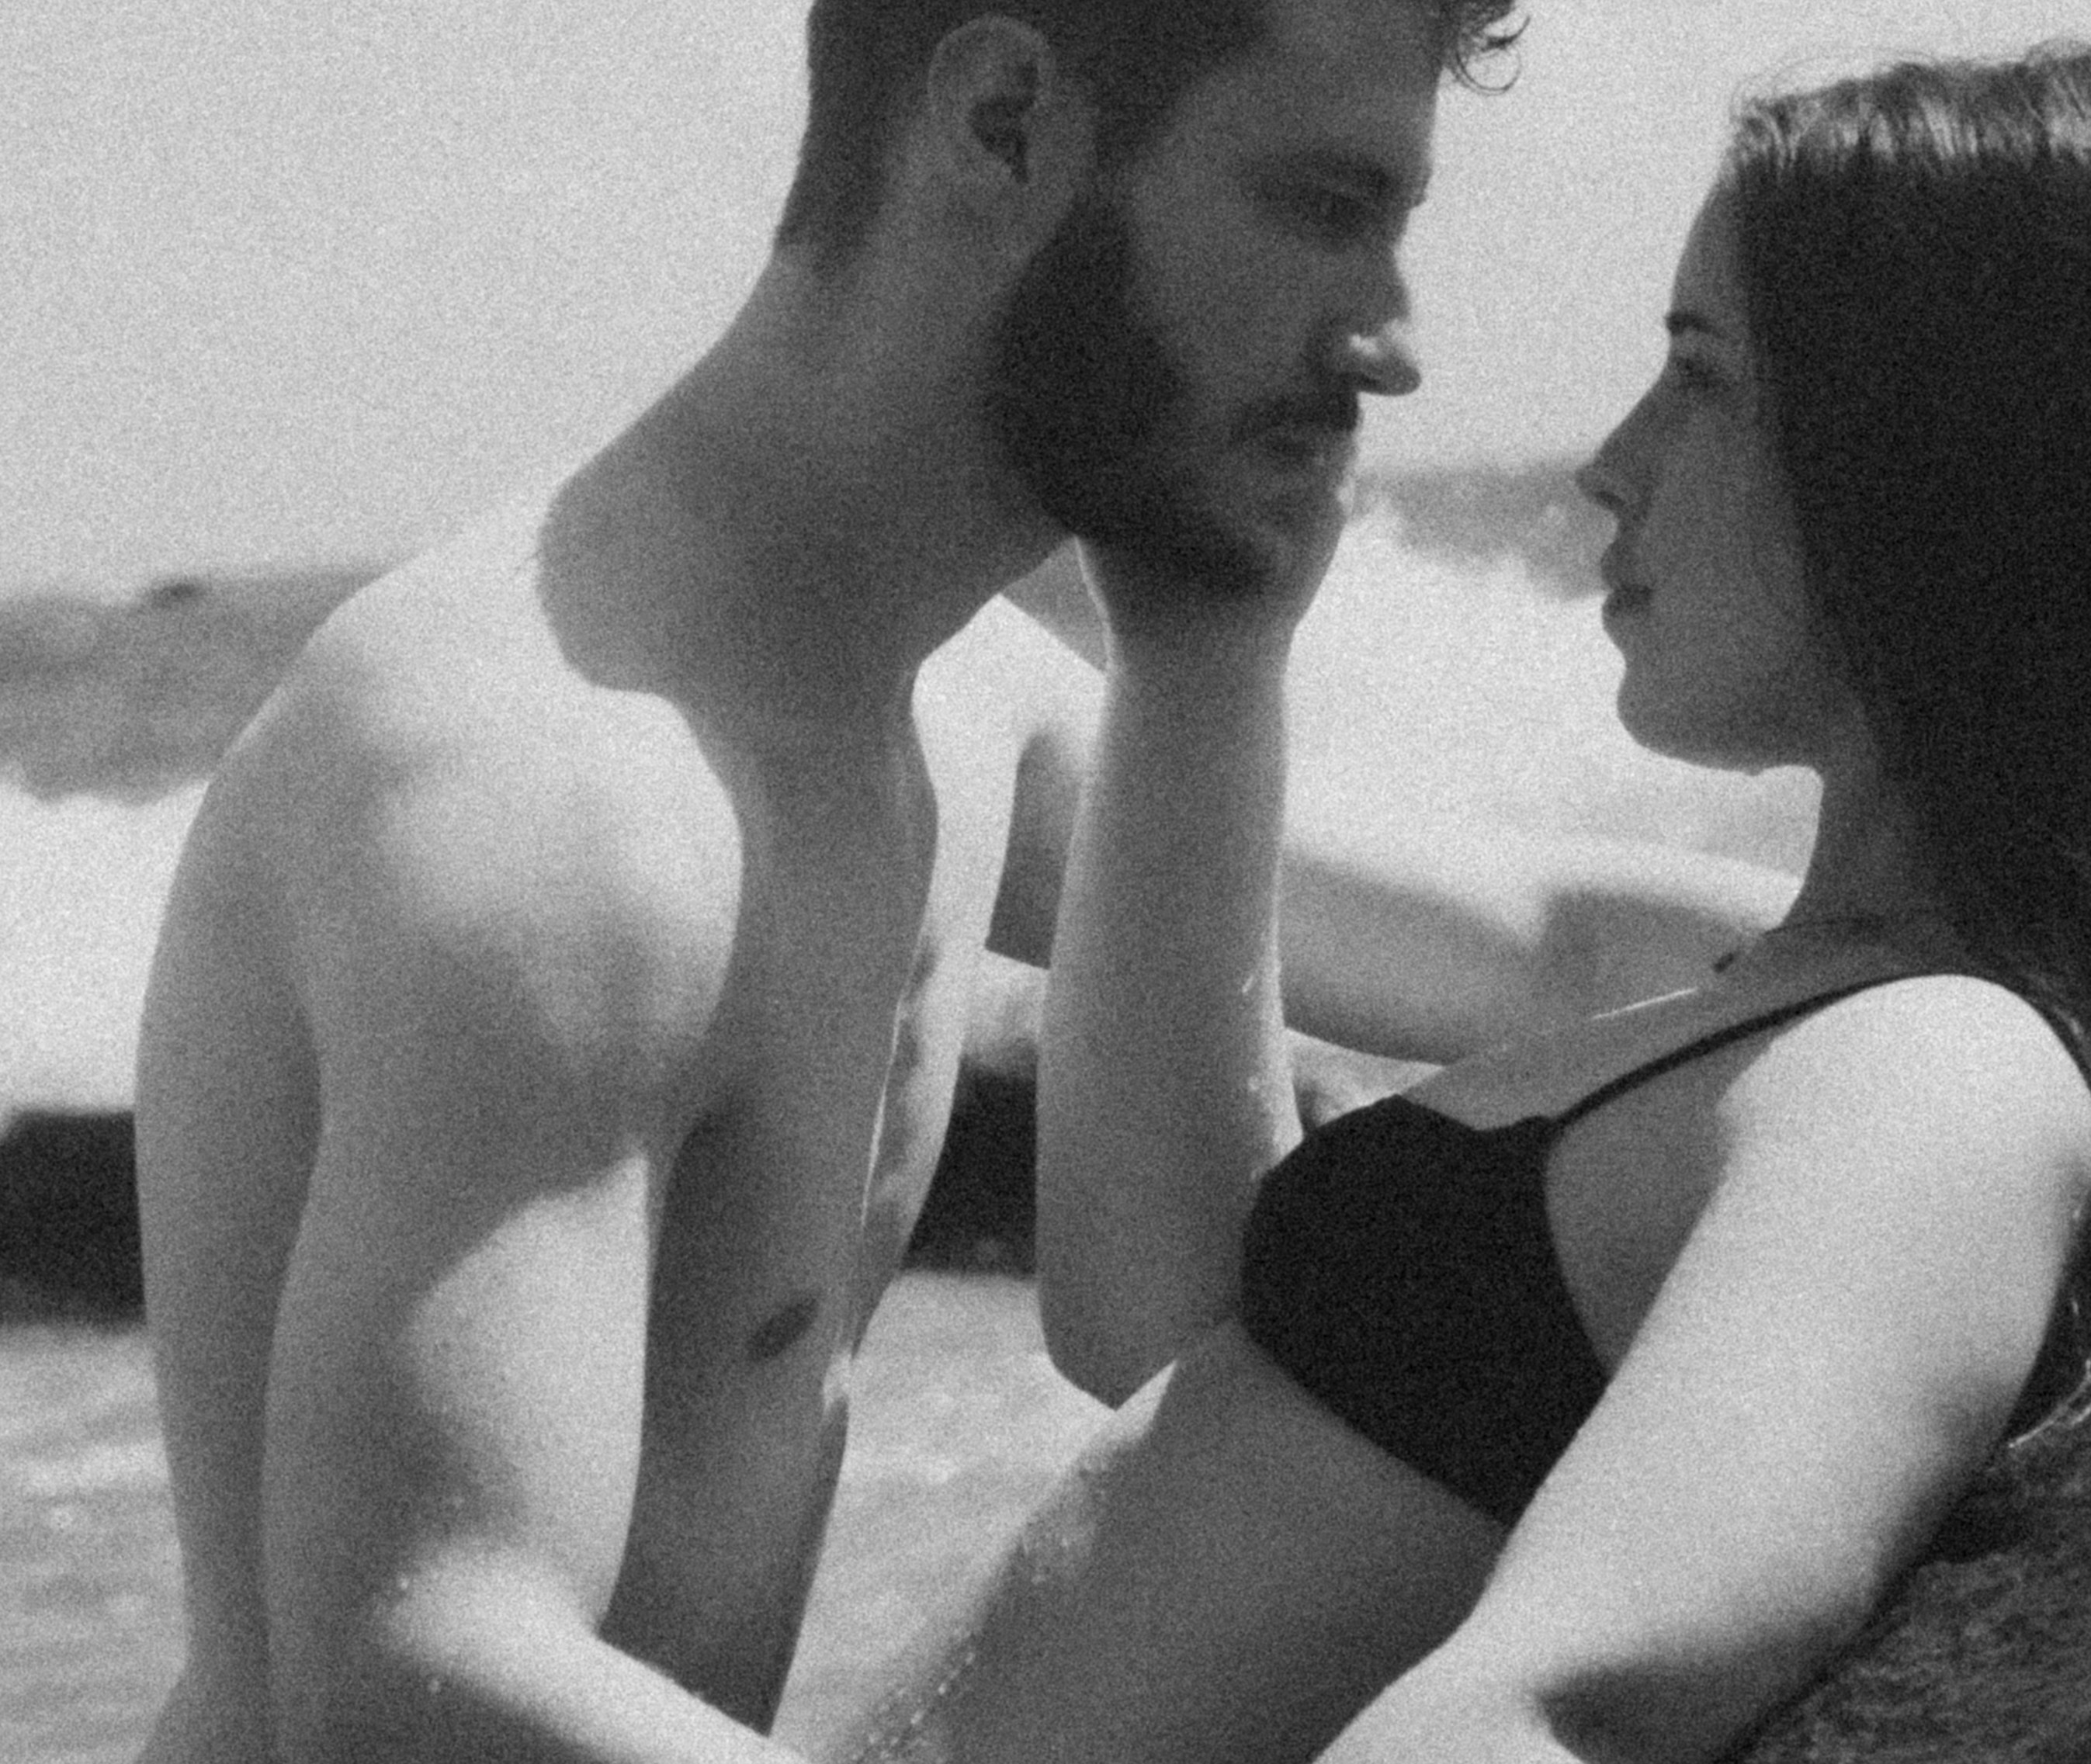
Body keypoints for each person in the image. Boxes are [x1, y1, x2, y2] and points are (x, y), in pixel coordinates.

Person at [848, 43, 2091, 1764]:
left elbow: (1559, 1717)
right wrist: (1205, 638)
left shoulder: (1930, 1083)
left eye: (1698, 376)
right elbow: (1152, 1308)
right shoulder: (1775, 983)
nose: (1606, 466)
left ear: (1940, 469)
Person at [128, 4, 1808, 1760]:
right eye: (1323, 207)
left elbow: (1549, 951)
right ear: (1001, 124)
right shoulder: (561, 819)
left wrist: (2011, 944)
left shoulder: (940, 704)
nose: (1391, 344)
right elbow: (420, 1686)